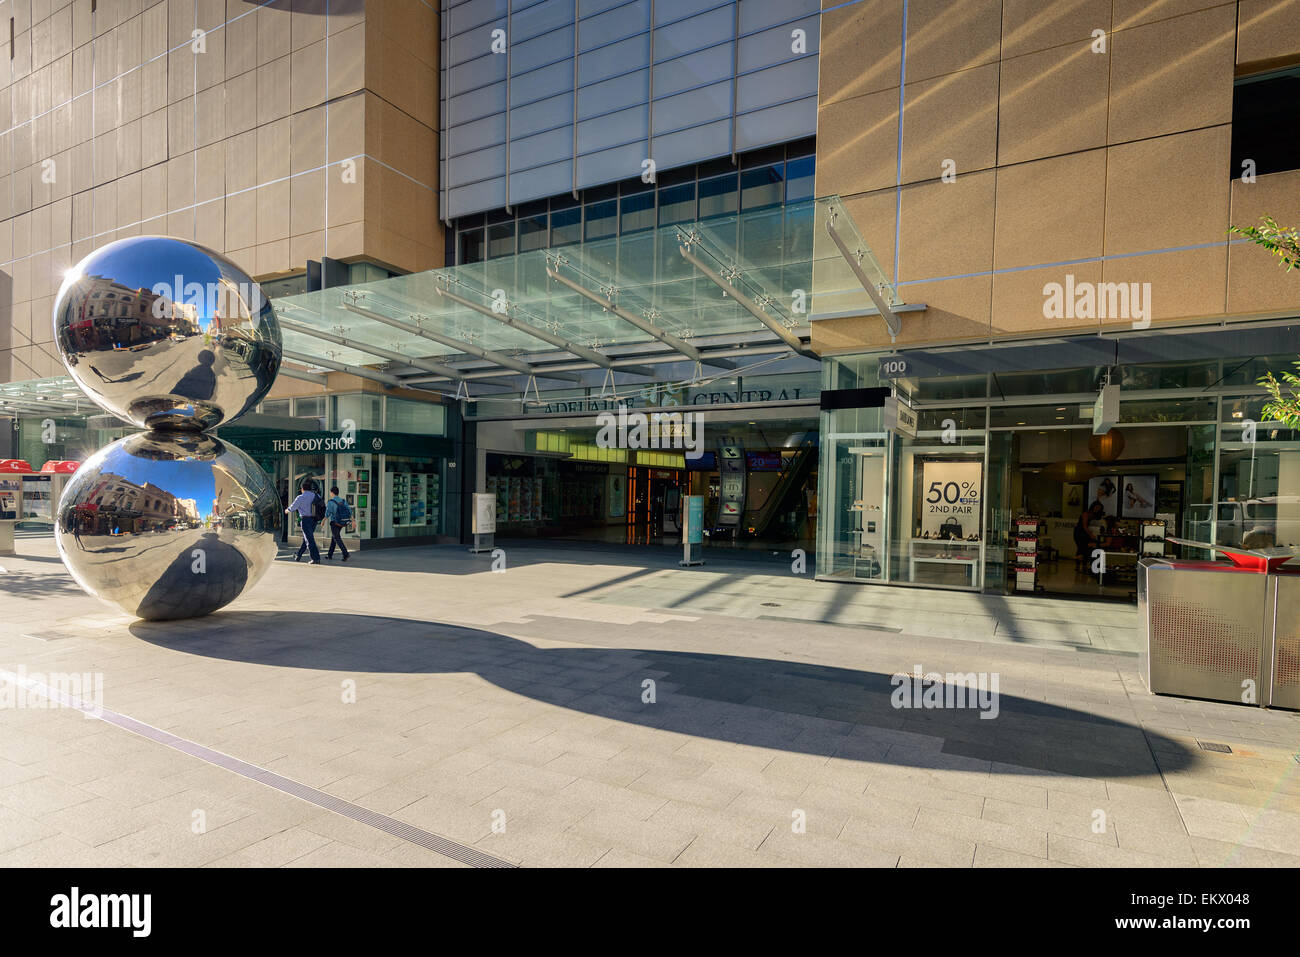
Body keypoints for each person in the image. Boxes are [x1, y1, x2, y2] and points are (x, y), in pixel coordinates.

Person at [285, 479, 322, 564]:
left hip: (305, 520)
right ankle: (299, 554)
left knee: (309, 540)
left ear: (302, 489)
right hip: (314, 519)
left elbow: (293, 507)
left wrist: (287, 510)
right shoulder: (316, 496)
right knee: (307, 538)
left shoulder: (300, 497)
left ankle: (315, 558)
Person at [1074, 502, 1105, 568]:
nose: (1097, 509)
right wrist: (1091, 534)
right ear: (1093, 506)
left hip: (1085, 532)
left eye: (1099, 508)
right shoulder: (1086, 514)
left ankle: (1082, 566)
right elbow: (1084, 526)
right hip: (1079, 532)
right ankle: (1079, 566)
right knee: (1082, 548)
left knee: (1084, 548)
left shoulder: (1094, 515)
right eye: (1096, 507)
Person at [324, 486, 351, 562]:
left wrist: (323, 520)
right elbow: (349, 510)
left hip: (334, 522)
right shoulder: (343, 501)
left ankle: (345, 553)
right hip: (342, 522)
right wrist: (352, 520)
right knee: (334, 537)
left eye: (330, 492)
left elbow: (328, 513)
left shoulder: (331, 502)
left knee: (336, 538)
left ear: (332, 493)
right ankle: (329, 555)